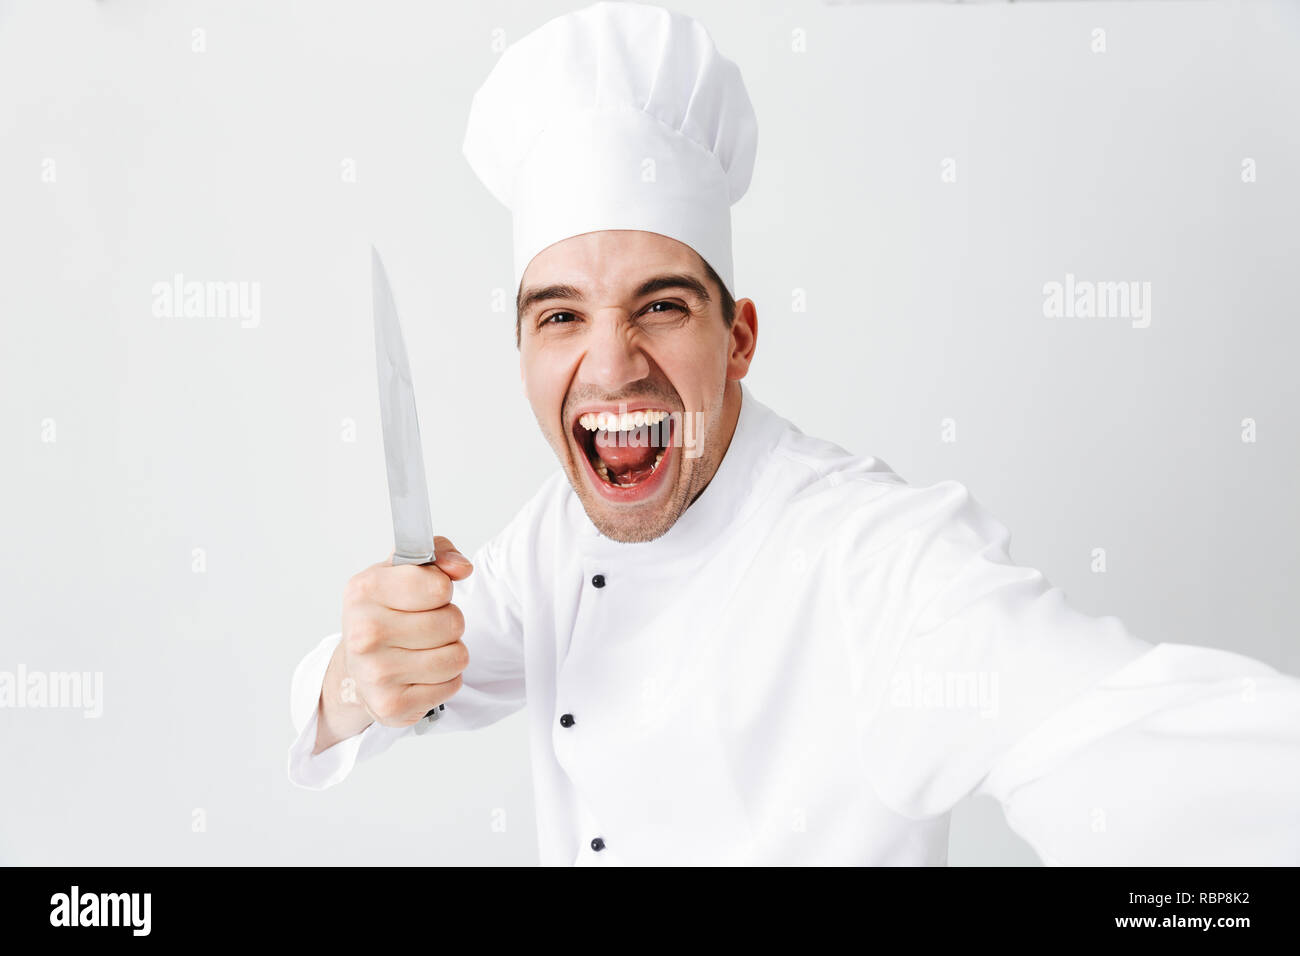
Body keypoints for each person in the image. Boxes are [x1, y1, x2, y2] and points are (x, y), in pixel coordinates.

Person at [287, 1, 1300, 865]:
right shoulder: (551, 540)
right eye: (560, 315)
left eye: (661, 305)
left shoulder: (875, 560)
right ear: (522, 355)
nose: (608, 363)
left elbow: (1110, 738)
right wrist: (362, 669)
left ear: (738, 340)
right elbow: (377, 693)